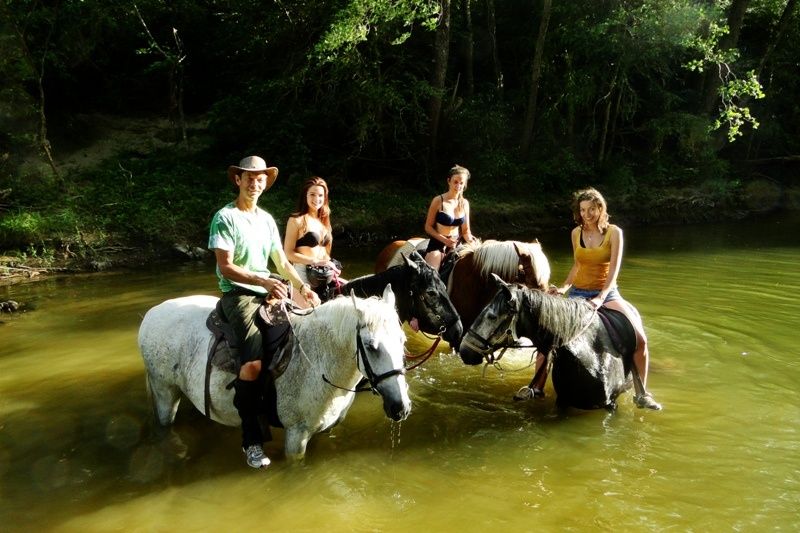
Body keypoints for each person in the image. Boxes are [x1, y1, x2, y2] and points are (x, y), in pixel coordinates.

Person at [208, 155, 321, 469]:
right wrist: (262, 280)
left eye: (260, 179)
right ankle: (251, 441)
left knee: (296, 341)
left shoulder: (267, 219)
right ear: (238, 180)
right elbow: (225, 267)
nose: (255, 184)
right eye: (250, 178)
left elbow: (282, 262)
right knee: (253, 364)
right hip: (238, 294)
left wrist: (302, 287)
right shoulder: (225, 217)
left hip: (271, 290)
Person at [542, 187, 662, 410]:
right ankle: (536, 387)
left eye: (591, 209)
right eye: (582, 210)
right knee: (547, 334)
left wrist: (601, 297)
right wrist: (563, 288)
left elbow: (614, 270)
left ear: (600, 209)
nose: (586, 214)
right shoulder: (575, 233)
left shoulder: (614, 232)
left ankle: (642, 394)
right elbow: (577, 265)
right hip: (578, 293)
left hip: (607, 293)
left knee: (640, 339)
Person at [283, 176, 342, 300]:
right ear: (305, 196)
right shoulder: (296, 220)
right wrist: (316, 261)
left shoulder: (324, 222)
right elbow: (288, 254)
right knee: (309, 309)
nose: (316, 199)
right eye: (312, 194)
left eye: (320, 195)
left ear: (325, 198)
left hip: (323, 275)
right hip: (302, 274)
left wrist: (333, 266)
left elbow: (325, 255)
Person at [423, 164, 475, 271]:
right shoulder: (438, 200)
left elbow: (465, 231)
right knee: (432, 274)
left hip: (456, 244)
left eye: (461, 183)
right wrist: (445, 241)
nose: (458, 185)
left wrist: (474, 245)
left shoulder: (465, 203)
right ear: (449, 181)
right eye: (455, 182)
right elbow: (428, 227)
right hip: (437, 243)